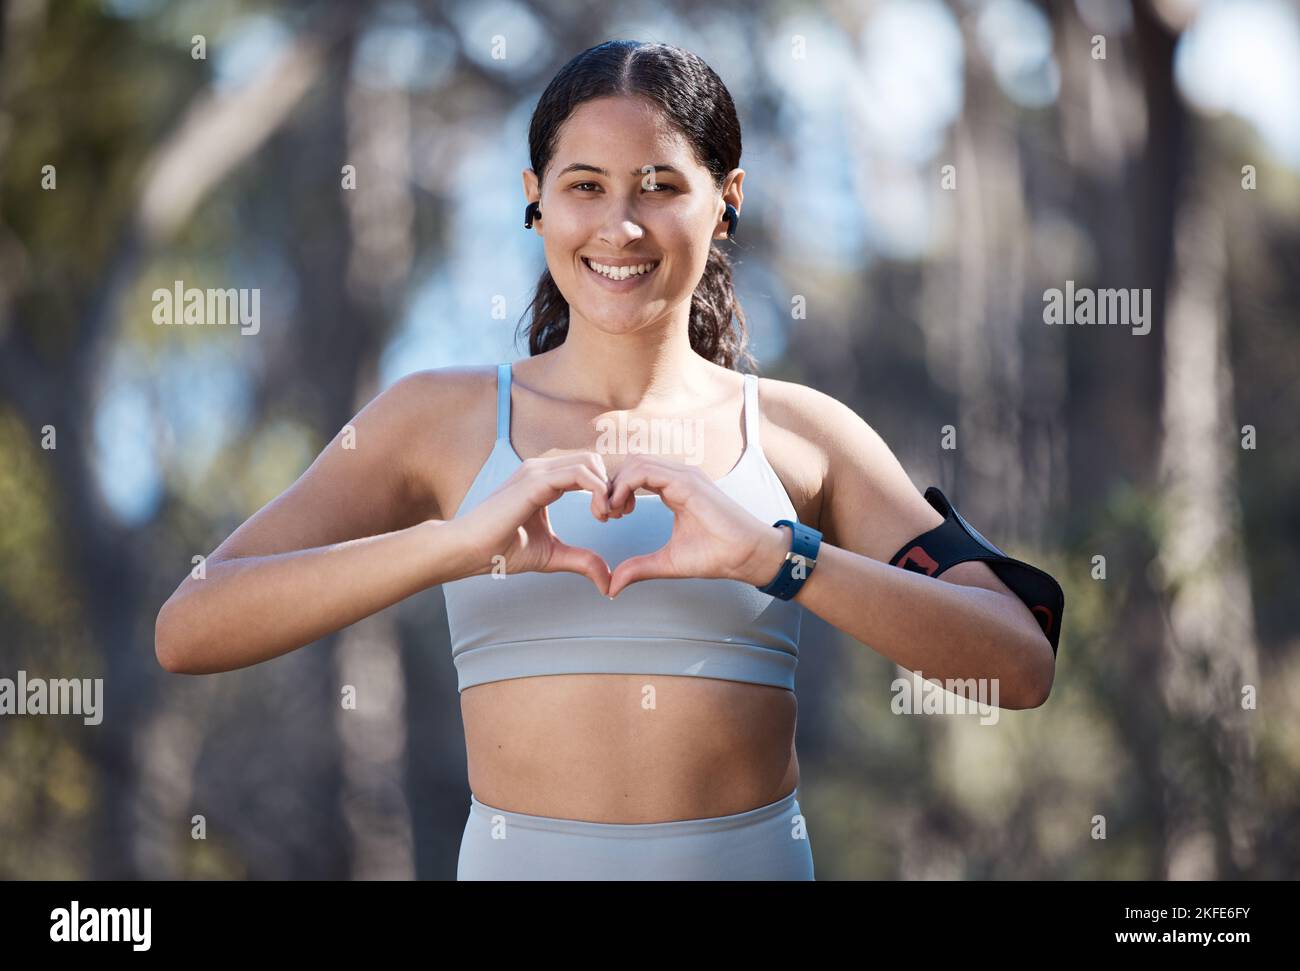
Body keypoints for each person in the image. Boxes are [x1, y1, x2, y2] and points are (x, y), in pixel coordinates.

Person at [155, 40, 1058, 881]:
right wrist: (455, 544)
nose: (620, 226)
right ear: (535, 196)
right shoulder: (437, 418)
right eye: (584, 185)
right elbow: (191, 626)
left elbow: (1019, 661)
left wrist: (777, 557)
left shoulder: (802, 434)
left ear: (727, 197)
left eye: (661, 185)